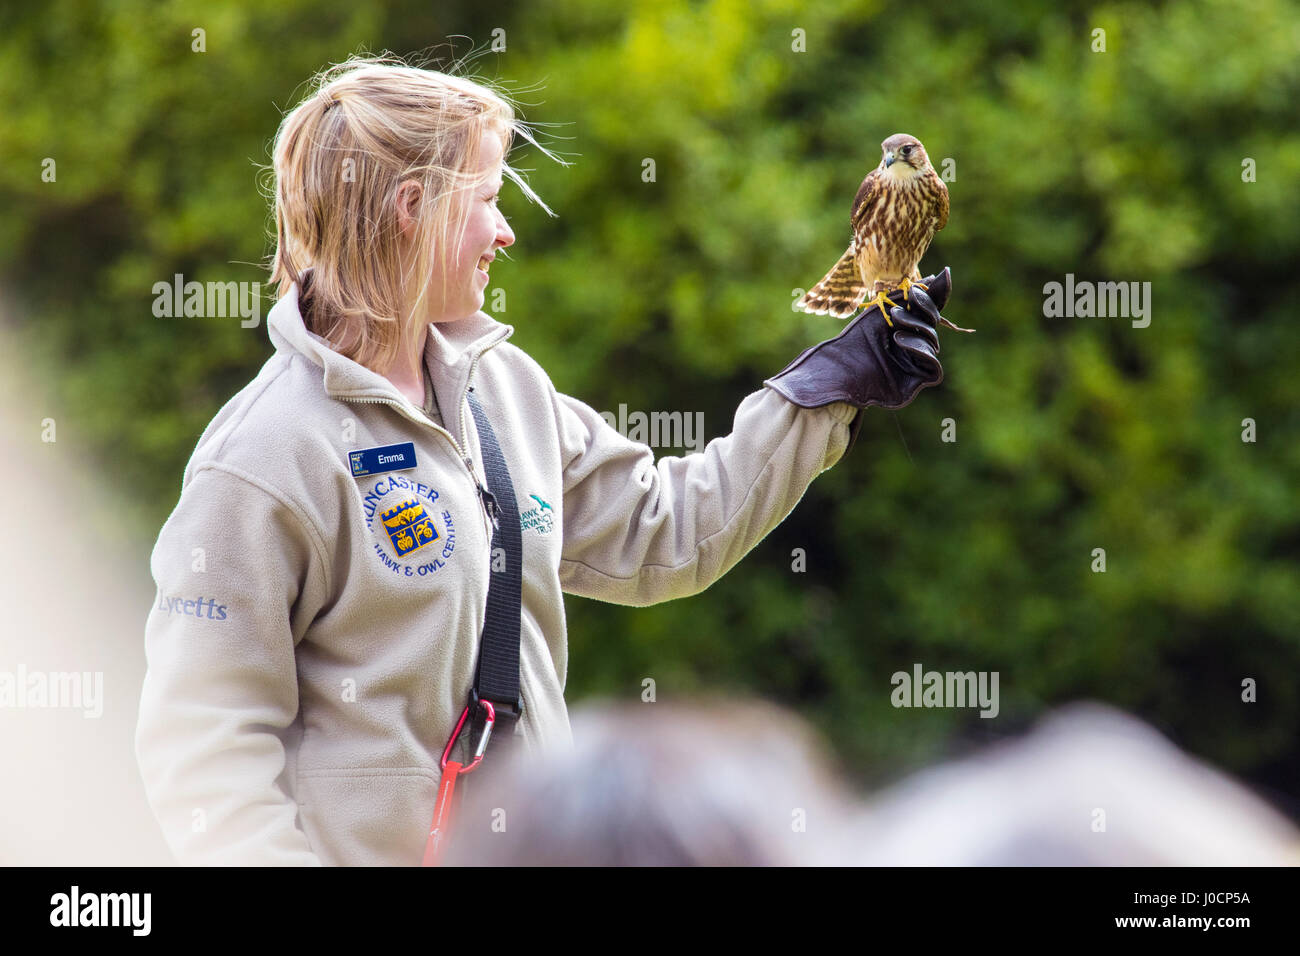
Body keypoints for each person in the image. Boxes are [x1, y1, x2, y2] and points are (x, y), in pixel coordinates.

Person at [133, 54, 955, 866]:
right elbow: (204, 757)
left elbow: (666, 536)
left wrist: (819, 393)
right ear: (412, 207)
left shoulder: (506, 391)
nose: (506, 230)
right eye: (488, 200)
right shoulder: (262, 459)